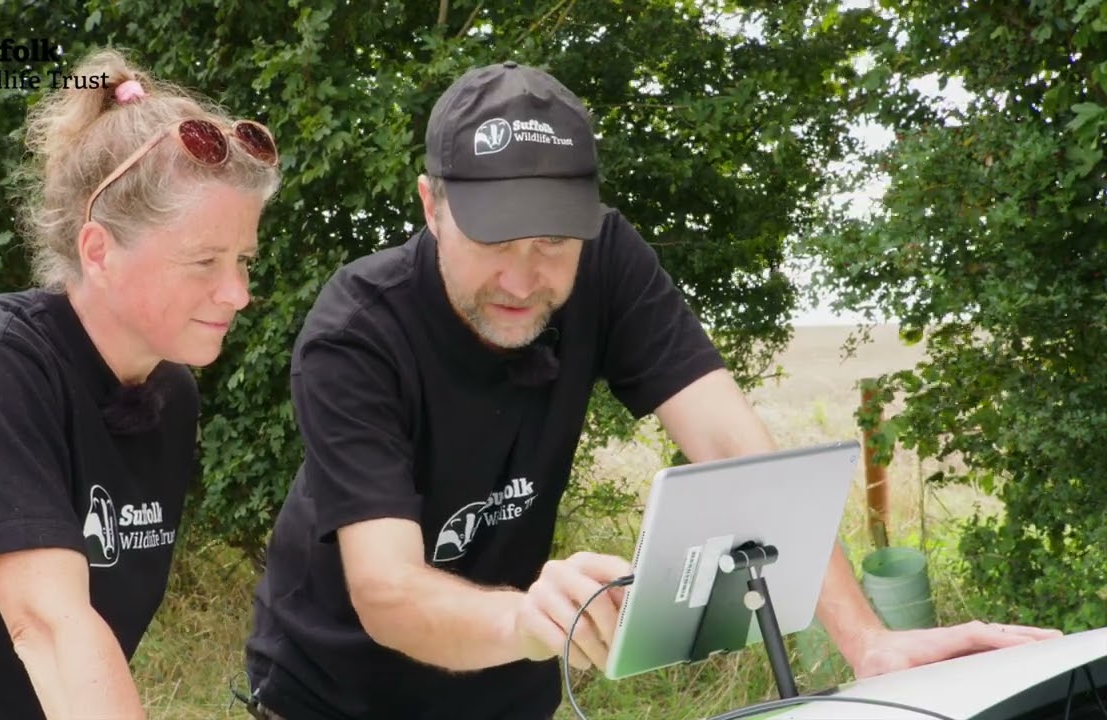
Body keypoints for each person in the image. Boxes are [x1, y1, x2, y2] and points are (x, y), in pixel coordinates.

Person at [241, 60, 1060, 720]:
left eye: (555, 242)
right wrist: (529, 618)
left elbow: (736, 452)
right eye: (497, 239)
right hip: (333, 695)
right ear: (432, 206)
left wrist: (869, 645)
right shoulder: (357, 331)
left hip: (510, 691)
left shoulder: (608, 263)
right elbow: (387, 590)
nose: (524, 278)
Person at [0, 47, 280, 720]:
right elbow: (48, 626)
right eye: (205, 261)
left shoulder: (167, 396)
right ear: (98, 252)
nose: (238, 292)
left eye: (242, 259)